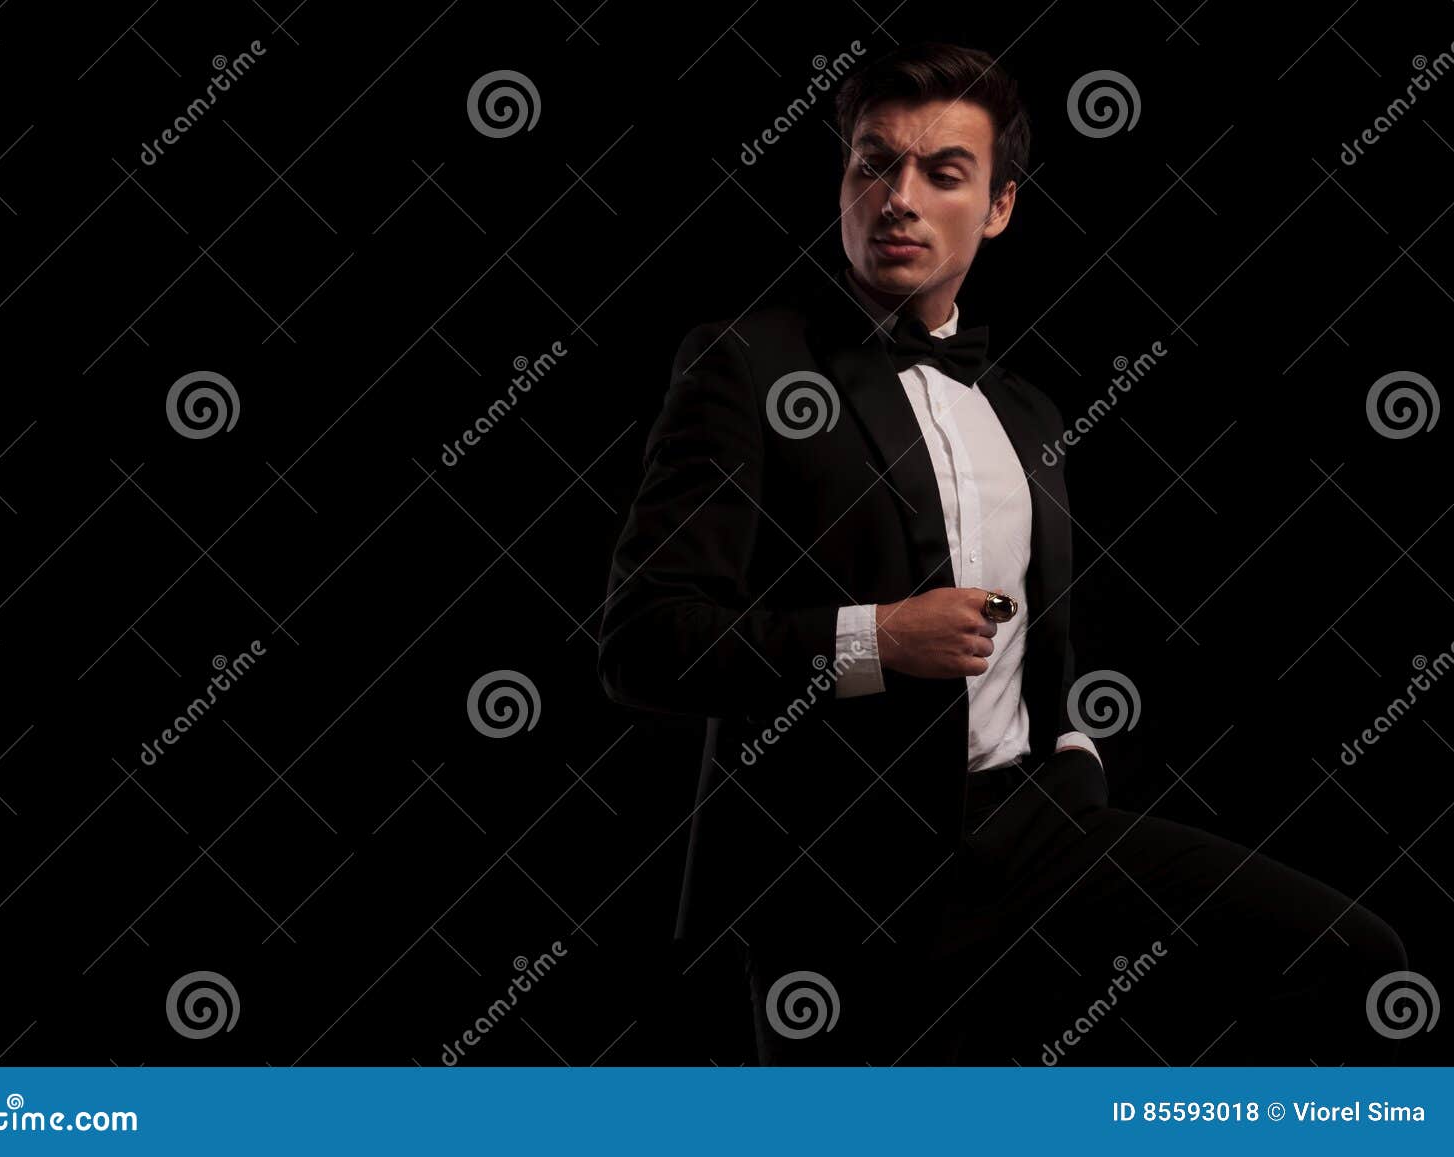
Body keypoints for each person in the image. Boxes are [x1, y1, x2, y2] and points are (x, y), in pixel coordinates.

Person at [596, 41, 1408, 1065]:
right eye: (871, 163)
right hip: (842, 872)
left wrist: (1076, 755)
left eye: (942, 173)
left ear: (998, 208)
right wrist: (876, 640)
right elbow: (645, 642)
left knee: (1352, 955)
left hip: (1028, 829)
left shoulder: (1024, 411)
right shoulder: (747, 362)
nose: (898, 197)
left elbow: (1061, 624)